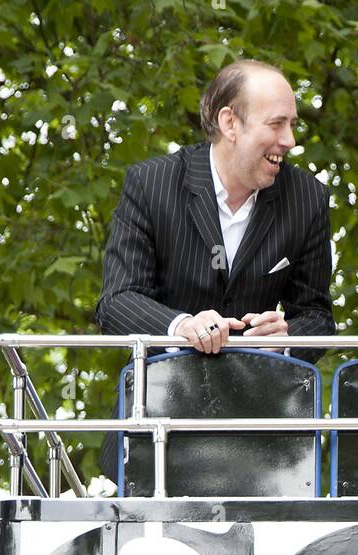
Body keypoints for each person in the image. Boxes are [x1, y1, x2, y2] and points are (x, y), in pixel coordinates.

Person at [95, 59, 334, 353]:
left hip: (259, 390)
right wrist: (181, 326)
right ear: (229, 123)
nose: (290, 140)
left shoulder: (309, 199)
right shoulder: (149, 183)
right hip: (160, 389)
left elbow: (317, 317)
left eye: (292, 125)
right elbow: (117, 301)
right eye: (276, 124)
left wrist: (286, 338)